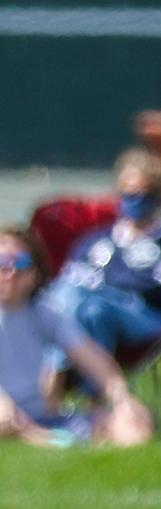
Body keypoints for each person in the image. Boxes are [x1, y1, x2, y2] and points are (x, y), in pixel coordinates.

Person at [0, 226, 150, 447]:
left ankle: (49, 440)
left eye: (20, 264)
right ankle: (50, 441)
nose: (9, 272)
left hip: (38, 416)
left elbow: (89, 356)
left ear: (35, 273)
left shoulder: (45, 311)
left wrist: (122, 398)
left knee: (132, 426)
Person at [42, 148, 161, 360]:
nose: (139, 201)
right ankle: (97, 387)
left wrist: (107, 286)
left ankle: (51, 378)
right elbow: (69, 278)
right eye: (131, 194)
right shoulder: (97, 239)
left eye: (147, 194)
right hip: (90, 311)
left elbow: (150, 287)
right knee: (89, 309)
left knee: (89, 304)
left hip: (147, 317)